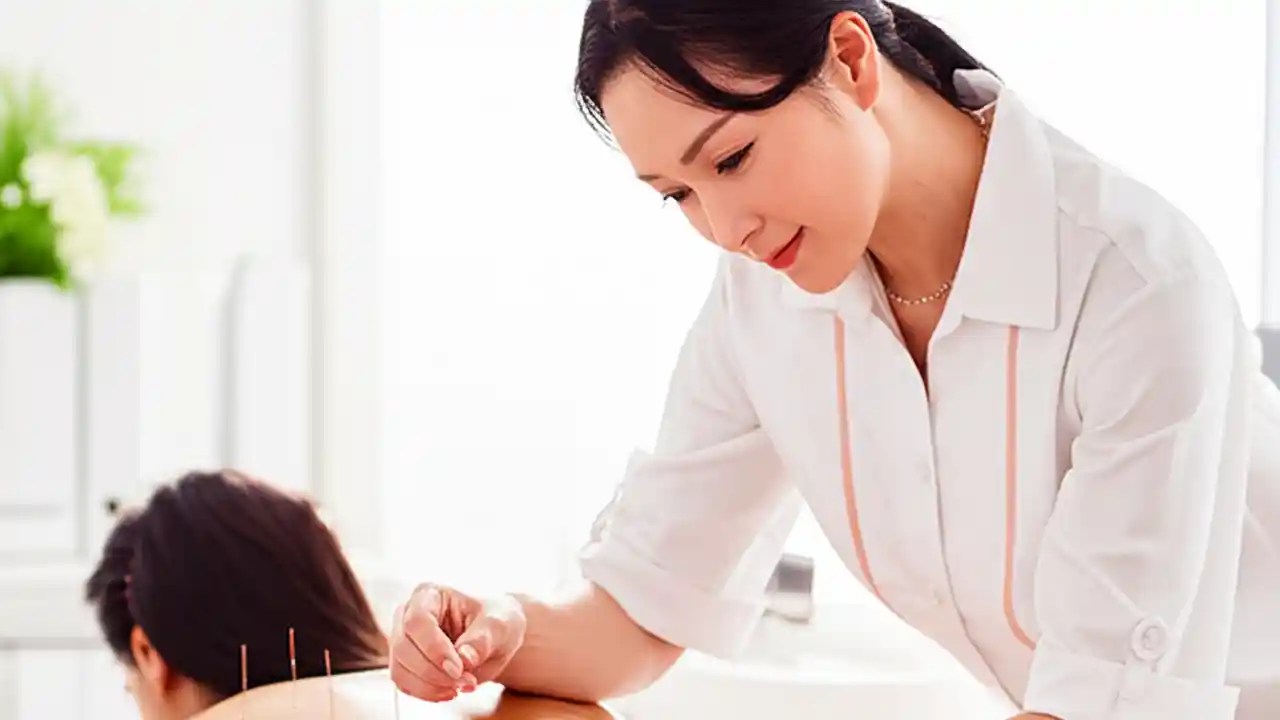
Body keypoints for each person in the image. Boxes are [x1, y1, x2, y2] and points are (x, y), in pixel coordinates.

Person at [388, 1, 1280, 719]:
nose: (724, 230)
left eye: (733, 157)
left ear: (849, 59)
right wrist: (496, 632)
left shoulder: (1136, 286)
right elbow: (640, 613)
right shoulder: (767, 296)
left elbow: (1104, 706)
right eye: (678, 197)